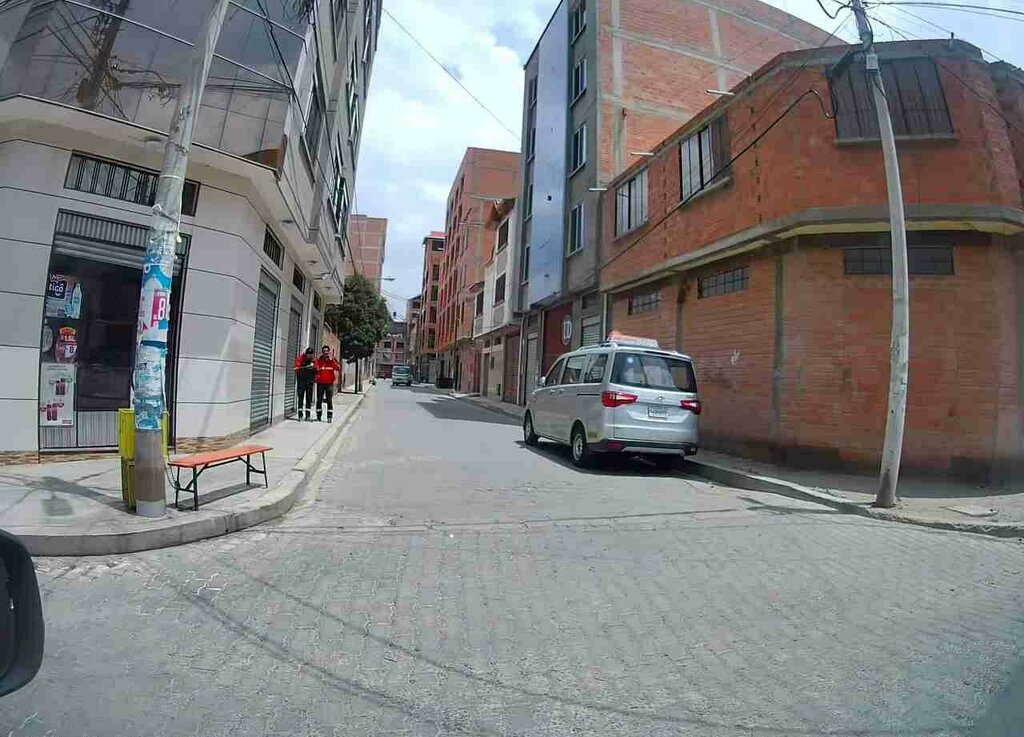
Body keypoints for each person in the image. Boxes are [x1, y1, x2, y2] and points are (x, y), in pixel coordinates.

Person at [314, 345, 341, 422]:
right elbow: (315, 369)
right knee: (319, 400)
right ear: (322, 352)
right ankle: (318, 416)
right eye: (324, 351)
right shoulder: (319, 360)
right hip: (320, 383)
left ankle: (329, 417)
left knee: (329, 400)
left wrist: (333, 359)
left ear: (329, 352)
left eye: (327, 351)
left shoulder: (332, 361)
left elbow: (338, 368)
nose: (325, 352)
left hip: (329, 384)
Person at [294, 347, 315, 421]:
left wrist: (314, 368)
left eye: (311, 354)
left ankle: (308, 415)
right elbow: (296, 368)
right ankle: (300, 415)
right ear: (306, 354)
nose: (310, 356)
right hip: (301, 382)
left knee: (309, 399)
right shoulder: (300, 358)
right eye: (308, 354)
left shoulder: (313, 360)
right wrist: (305, 367)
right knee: (300, 398)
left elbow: (317, 368)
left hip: (310, 383)